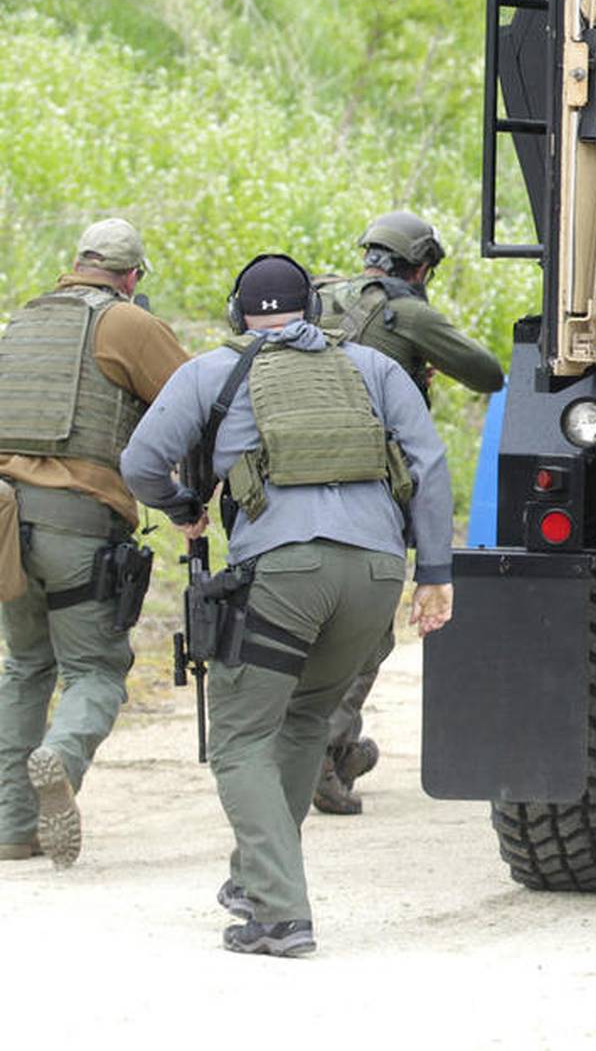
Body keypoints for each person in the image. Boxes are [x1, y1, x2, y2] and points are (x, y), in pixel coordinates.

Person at [121, 253, 454, 957]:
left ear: (239, 312)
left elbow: (140, 462)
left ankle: (279, 914)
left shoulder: (214, 371)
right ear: (309, 306)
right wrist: (435, 570)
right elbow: (426, 460)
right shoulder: (372, 367)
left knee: (241, 738)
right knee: (304, 717)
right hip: (374, 573)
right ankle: (253, 878)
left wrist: (187, 505)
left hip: (285, 571)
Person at [0, 220, 188, 868]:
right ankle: (62, 755)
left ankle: (11, 826)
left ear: (74, 264)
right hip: (75, 524)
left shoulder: (23, 321)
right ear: (130, 276)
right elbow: (193, 402)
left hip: (2, 522)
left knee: (24, 666)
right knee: (95, 670)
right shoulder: (126, 324)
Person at [311, 211, 502, 815]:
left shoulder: (315, 298)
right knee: (365, 634)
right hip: (369, 492)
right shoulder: (406, 313)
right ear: (420, 268)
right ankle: (324, 748)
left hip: (285, 488)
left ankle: (326, 746)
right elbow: (488, 373)